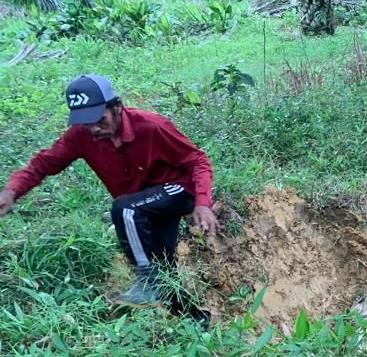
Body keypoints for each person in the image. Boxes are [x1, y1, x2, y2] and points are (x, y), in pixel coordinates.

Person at [0, 74, 220, 313]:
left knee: (125, 209)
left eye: (99, 119)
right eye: (85, 122)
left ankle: (146, 281)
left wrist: (202, 202)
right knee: (163, 267)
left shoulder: (151, 126)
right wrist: (12, 191)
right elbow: (44, 163)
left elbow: (197, 160)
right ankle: (196, 319)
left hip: (178, 190)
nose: (93, 128)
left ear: (117, 106)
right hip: (144, 203)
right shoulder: (80, 136)